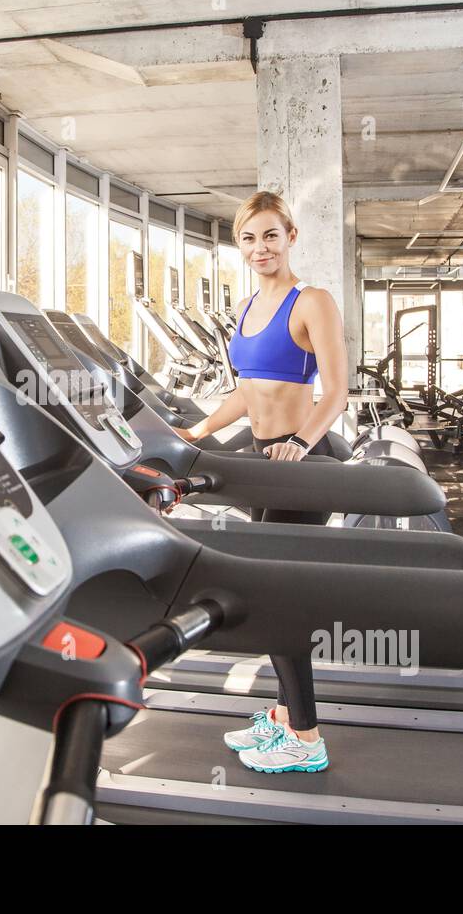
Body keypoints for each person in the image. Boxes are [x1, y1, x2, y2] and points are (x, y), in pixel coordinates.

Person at [172, 190, 348, 773]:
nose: (260, 247)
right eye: (249, 238)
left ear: (291, 236)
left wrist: (300, 443)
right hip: (261, 463)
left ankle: (306, 736)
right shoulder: (246, 308)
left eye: (271, 235)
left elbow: (336, 391)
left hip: (304, 464)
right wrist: (194, 433)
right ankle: (281, 718)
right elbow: (247, 393)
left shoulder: (312, 301)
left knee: (274, 600)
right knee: (271, 591)